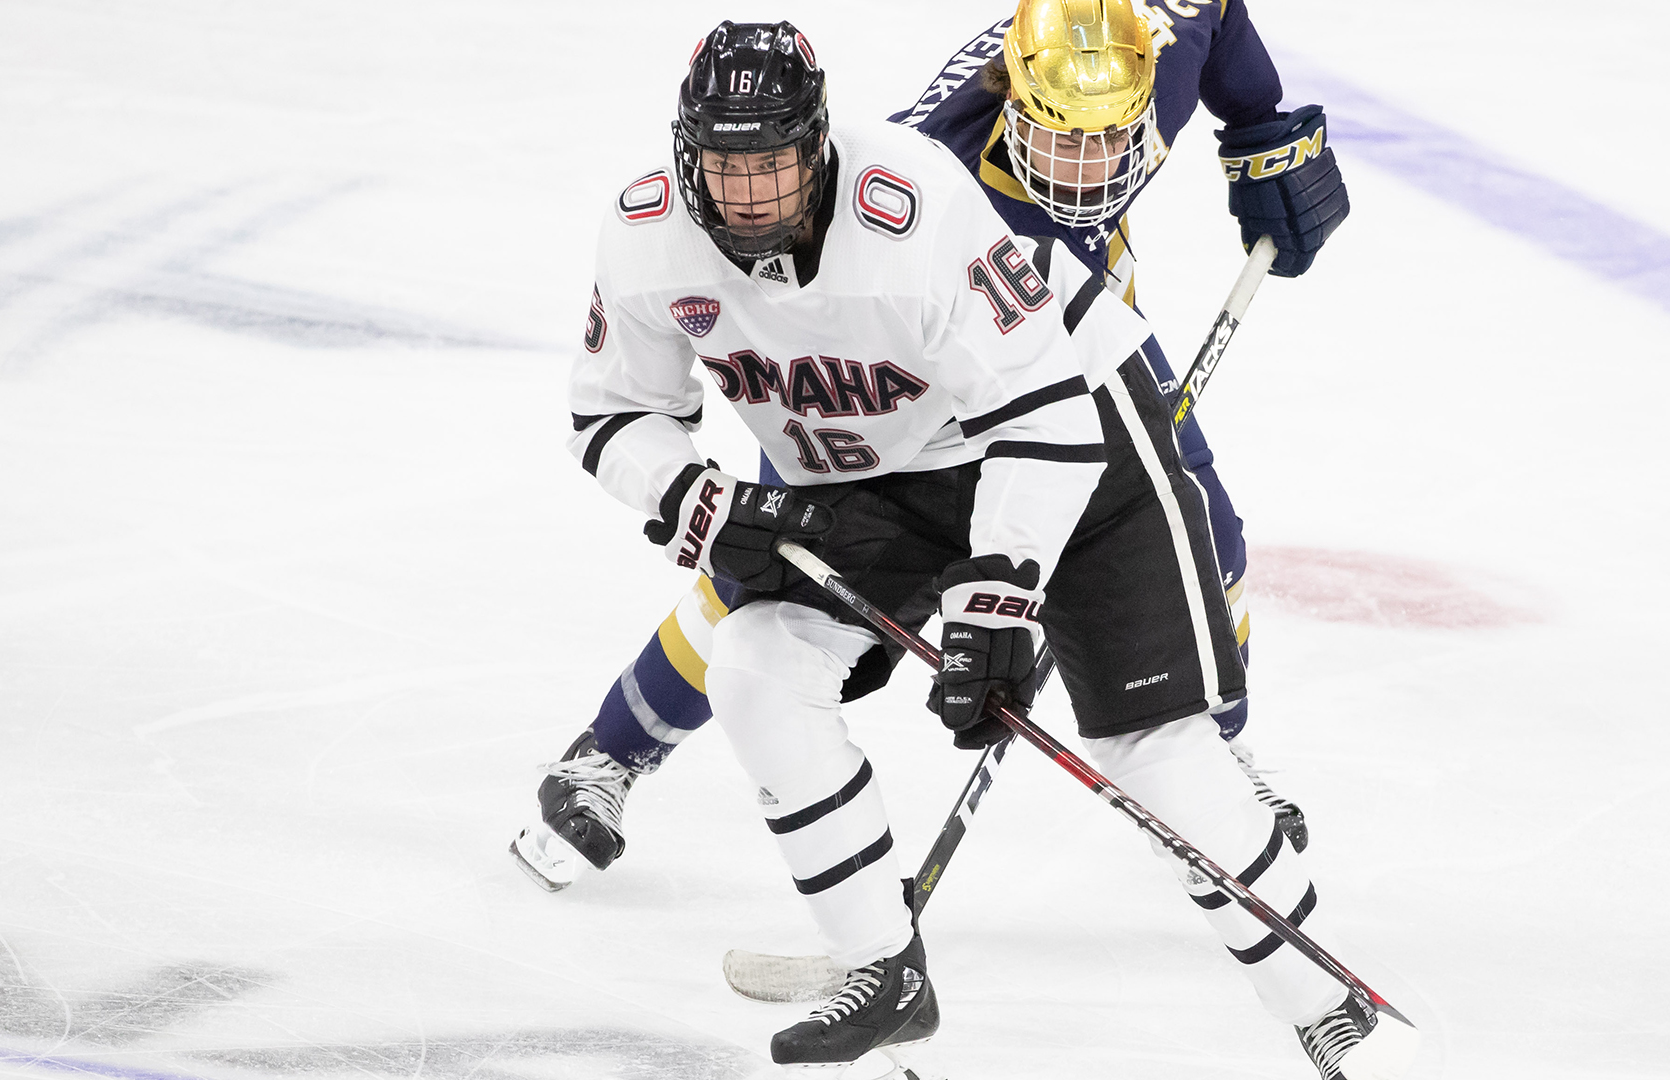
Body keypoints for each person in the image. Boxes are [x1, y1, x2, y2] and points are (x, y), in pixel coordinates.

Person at [563, 18, 1408, 1080]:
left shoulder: (912, 210)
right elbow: (612, 414)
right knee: (757, 663)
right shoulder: (647, 237)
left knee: (1155, 745)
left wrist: (1001, 595)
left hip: (1069, 429)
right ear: (686, 154)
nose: (750, 194)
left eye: (774, 161)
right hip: (872, 470)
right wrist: (695, 498)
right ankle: (883, 966)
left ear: (818, 145)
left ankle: (1320, 1000)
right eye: (727, 165)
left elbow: (1044, 412)